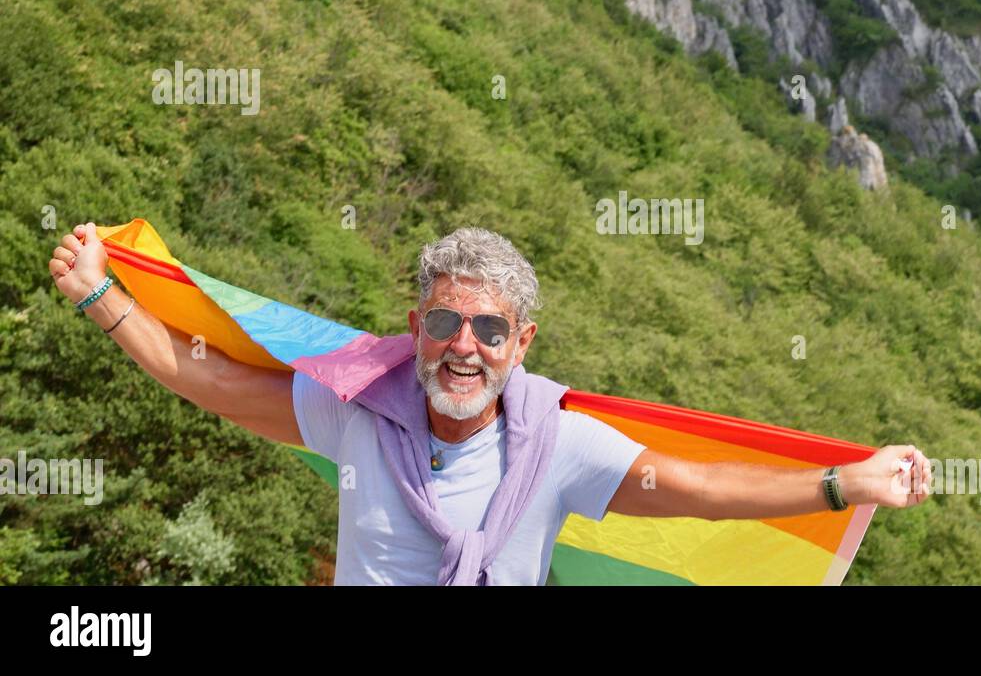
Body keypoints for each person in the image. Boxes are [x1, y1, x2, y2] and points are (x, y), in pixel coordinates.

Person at [49, 222, 932, 585]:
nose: (463, 345)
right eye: (444, 321)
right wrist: (102, 297)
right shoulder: (360, 408)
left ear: (523, 343)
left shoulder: (560, 446)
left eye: (488, 328)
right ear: (416, 327)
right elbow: (213, 381)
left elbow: (698, 488)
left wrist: (840, 485)